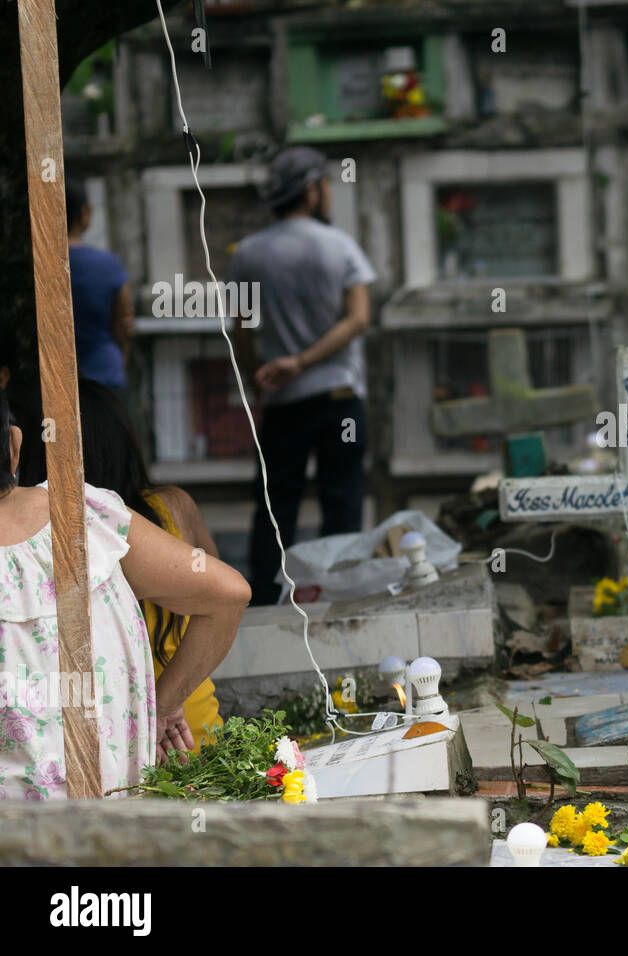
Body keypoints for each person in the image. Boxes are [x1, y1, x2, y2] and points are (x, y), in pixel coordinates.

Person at [0, 386, 250, 798]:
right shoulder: (87, 514)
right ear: (14, 445)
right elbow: (229, 593)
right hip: (119, 826)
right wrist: (164, 706)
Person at [230, 147, 376, 605]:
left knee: (275, 509)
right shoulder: (340, 246)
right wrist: (308, 360)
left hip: (283, 403)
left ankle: (262, 606)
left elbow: (243, 328)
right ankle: (340, 598)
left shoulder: (248, 254)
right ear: (312, 191)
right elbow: (357, 319)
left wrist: (265, 373)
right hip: (339, 399)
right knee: (342, 502)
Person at [75, 378, 224, 748]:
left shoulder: (78, 534)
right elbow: (221, 596)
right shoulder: (174, 506)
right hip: (200, 725)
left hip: (141, 746)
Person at [66, 177, 134, 403]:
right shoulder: (109, 265)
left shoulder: (42, 267)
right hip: (106, 377)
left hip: (59, 381)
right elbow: (123, 323)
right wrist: (121, 357)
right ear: (84, 213)